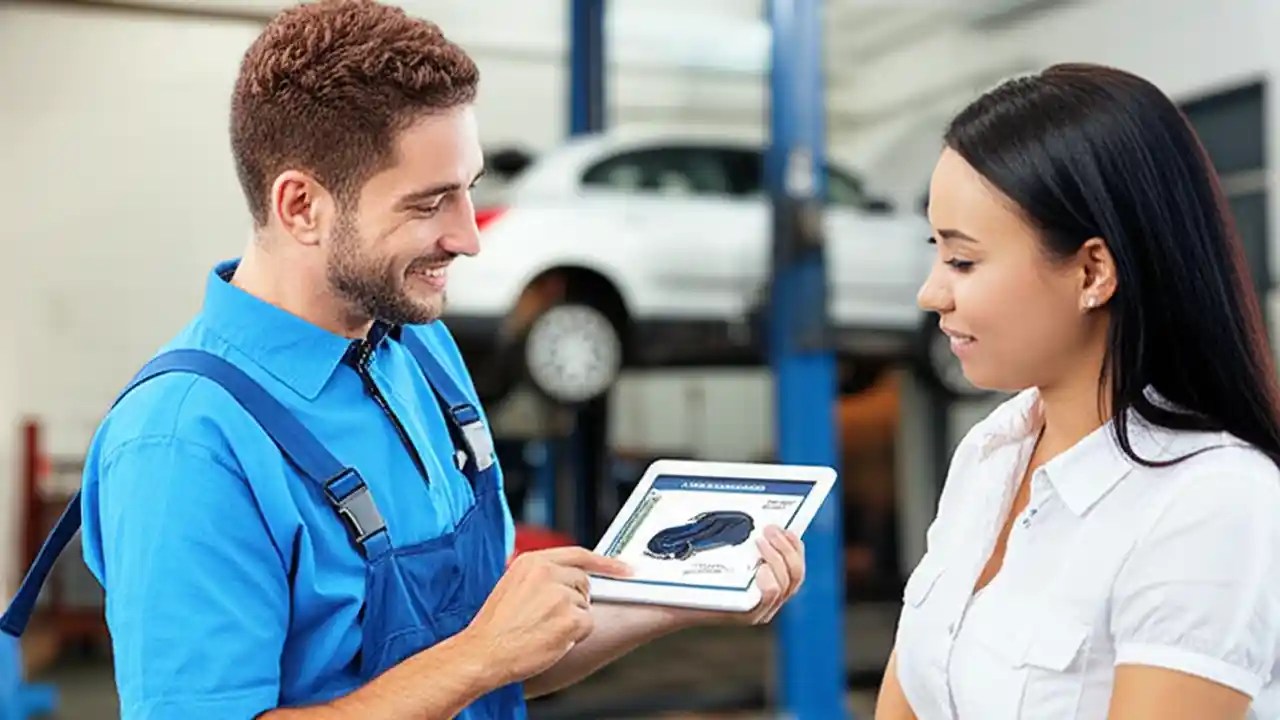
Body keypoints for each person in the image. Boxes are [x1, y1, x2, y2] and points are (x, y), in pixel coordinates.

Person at [0, 2, 809, 718]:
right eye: (429, 203)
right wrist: (482, 654)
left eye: (468, 188)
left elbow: (495, 668)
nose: (468, 235)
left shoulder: (417, 349)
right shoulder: (185, 443)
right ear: (301, 206)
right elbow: (480, 658)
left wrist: (690, 596)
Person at [876, 63, 1280, 720]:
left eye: (962, 260)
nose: (931, 293)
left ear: (1092, 271)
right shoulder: (990, 453)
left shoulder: (1212, 501)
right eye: (936, 251)